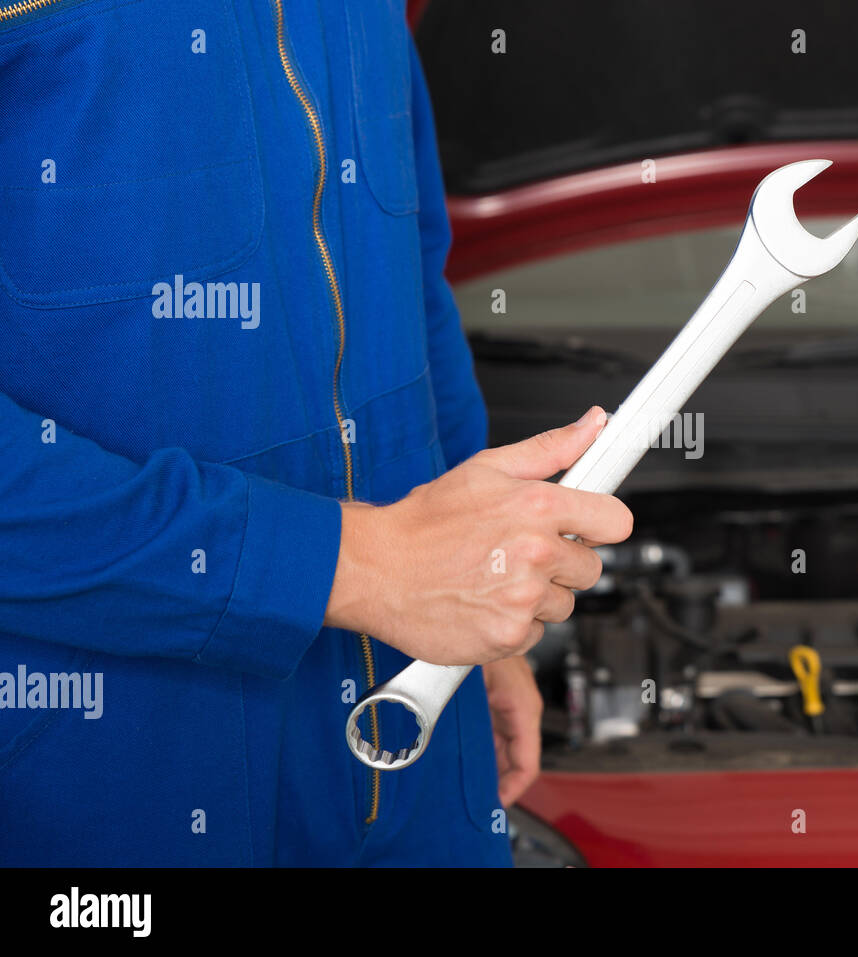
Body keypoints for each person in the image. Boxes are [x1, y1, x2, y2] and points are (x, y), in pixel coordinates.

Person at [0, 0, 631, 865]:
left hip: (420, 741)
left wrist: (481, 612)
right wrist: (363, 566)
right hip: (109, 771)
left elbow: (411, 281)